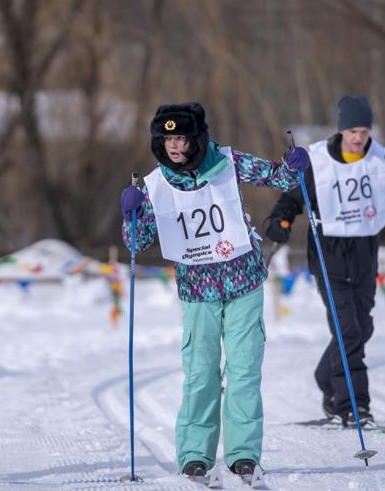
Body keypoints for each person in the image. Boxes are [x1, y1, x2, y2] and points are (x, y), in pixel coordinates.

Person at [120, 102, 309, 481]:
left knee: (244, 370)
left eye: (182, 138)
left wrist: (293, 167)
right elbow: (137, 243)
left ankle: (243, 454)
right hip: (197, 290)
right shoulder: (156, 185)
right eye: (168, 139)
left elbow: (278, 178)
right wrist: (132, 215)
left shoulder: (226, 162)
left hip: (244, 280)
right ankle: (195, 455)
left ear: (197, 139)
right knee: (201, 373)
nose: (175, 146)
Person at [264, 95, 385, 426]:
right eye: (353, 131)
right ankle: (353, 405)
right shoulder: (316, 160)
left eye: (364, 131)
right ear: (341, 130)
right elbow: (291, 198)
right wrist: (280, 221)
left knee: (362, 327)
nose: (359, 138)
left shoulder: (382, 160)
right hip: (329, 256)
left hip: (365, 256)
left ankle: (326, 378)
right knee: (348, 331)